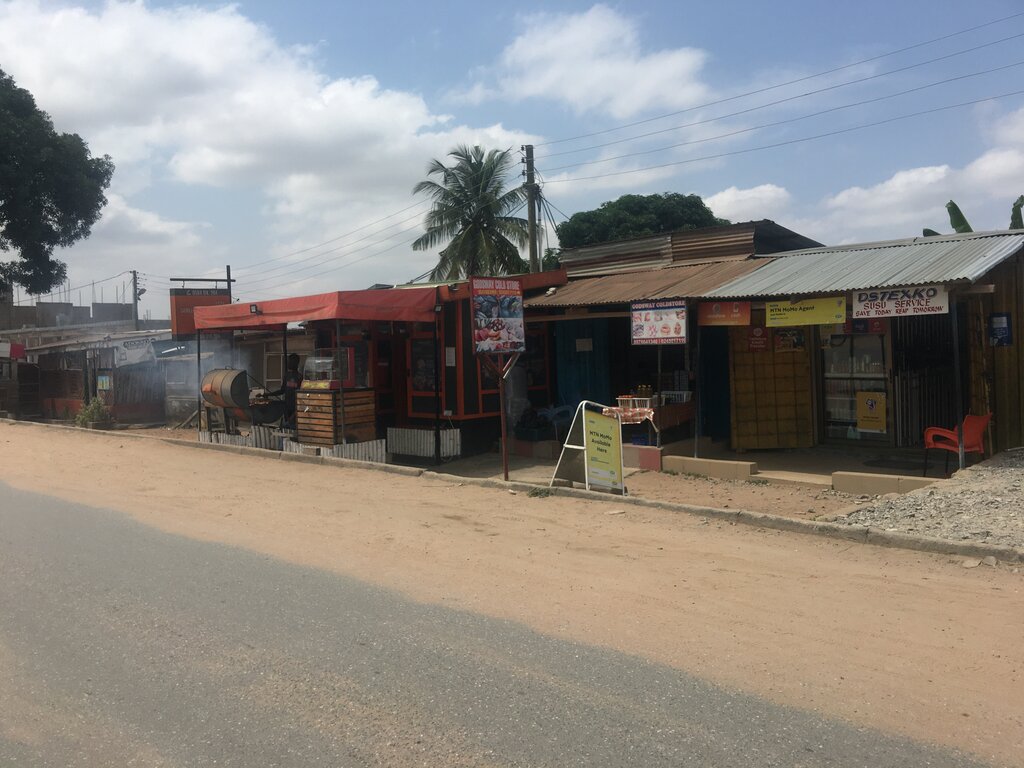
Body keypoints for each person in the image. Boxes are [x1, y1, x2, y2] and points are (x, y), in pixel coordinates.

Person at [270, 353, 302, 427]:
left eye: (290, 361)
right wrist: (268, 394)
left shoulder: (300, 377)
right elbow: (282, 391)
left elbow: (301, 398)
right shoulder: (287, 375)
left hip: (295, 410)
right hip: (287, 408)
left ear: (296, 363)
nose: (288, 363)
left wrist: (295, 413)